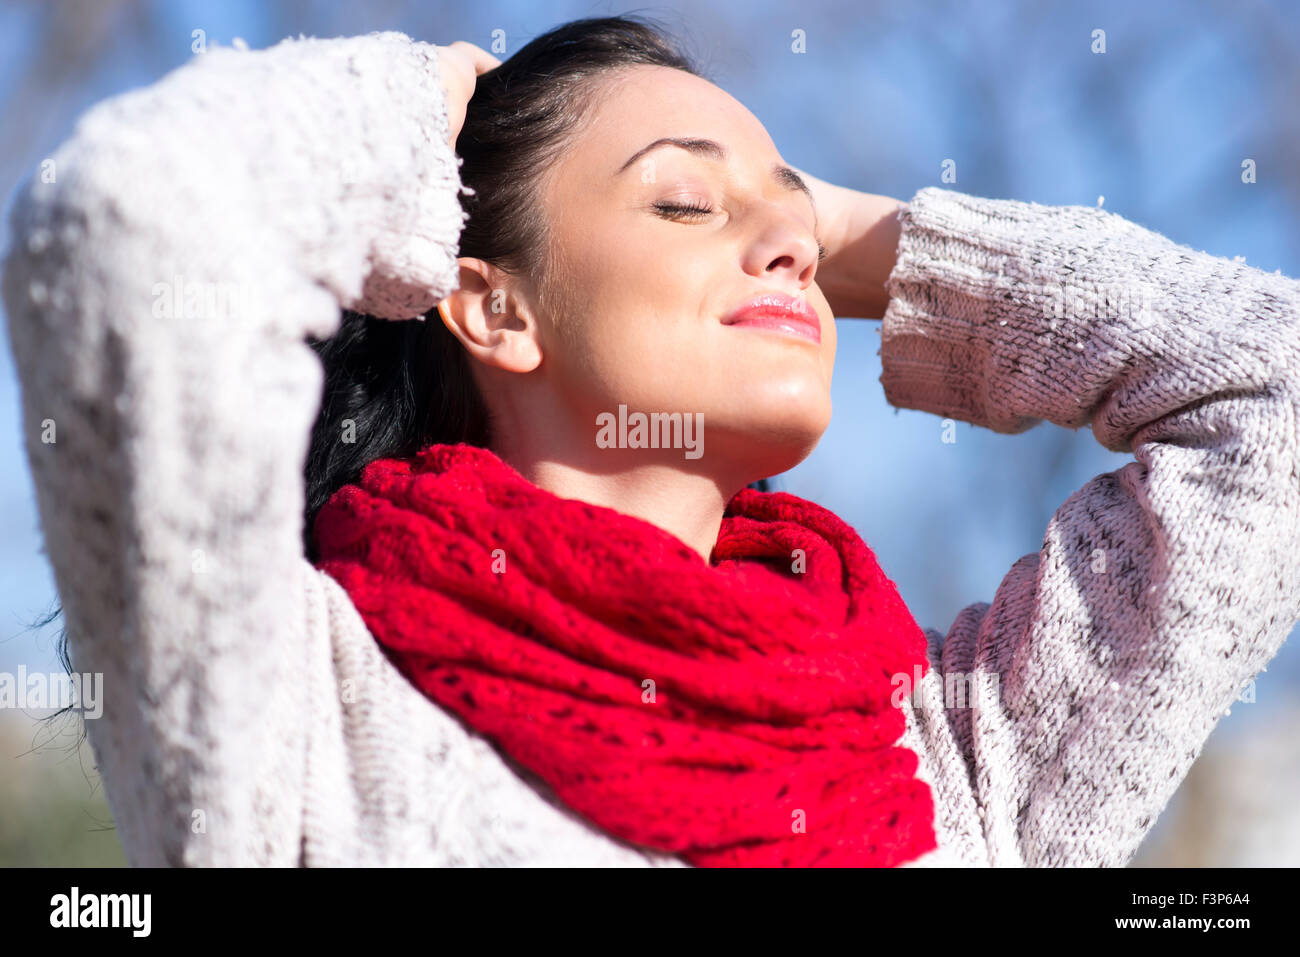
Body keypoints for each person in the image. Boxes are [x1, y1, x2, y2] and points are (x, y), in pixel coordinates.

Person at [4, 15, 1298, 867]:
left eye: (796, 214)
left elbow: (1269, 393)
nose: (785, 237)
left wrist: (855, 245)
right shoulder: (295, 702)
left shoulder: (948, 759)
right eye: (681, 198)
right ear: (492, 305)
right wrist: (415, 112)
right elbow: (124, 227)